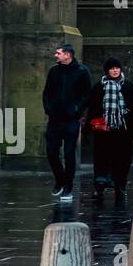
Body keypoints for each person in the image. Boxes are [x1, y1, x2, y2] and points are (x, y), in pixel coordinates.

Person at [86, 58, 133, 204]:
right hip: (103, 129)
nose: (115, 70)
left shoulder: (128, 86)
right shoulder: (99, 87)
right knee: (102, 157)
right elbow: (92, 107)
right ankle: (100, 184)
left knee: (122, 158)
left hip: (123, 128)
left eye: (117, 68)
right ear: (107, 71)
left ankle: (120, 185)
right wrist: (89, 125)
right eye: (112, 68)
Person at [43, 43, 92, 201]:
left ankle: (68, 187)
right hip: (54, 119)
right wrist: (48, 108)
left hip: (71, 120)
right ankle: (60, 180)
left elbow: (88, 95)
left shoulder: (82, 71)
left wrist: (78, 110)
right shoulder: (54, 71)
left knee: (69, 153)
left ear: (67, 55)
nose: (56, 55)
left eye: (58, 53)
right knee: (51, 153)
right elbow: (47, 93)